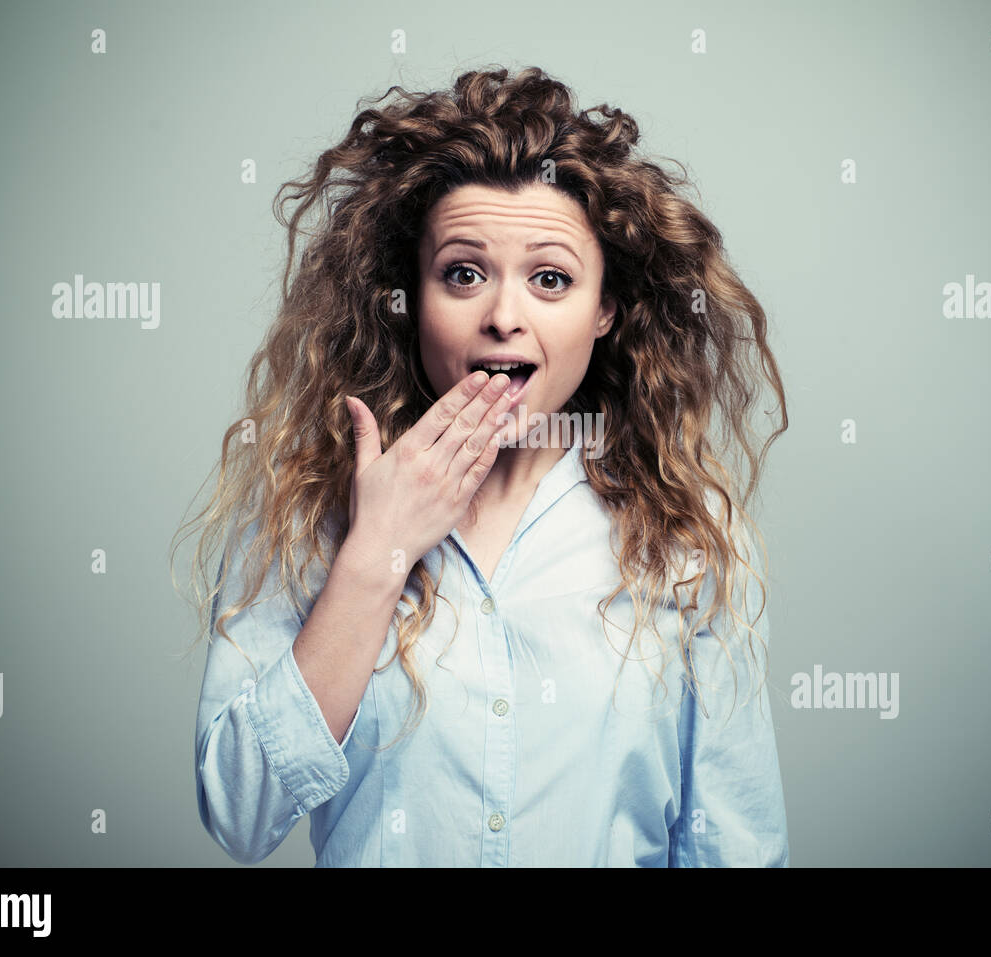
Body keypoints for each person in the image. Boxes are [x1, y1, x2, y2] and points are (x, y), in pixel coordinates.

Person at [172, 65, 790, 867]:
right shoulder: (307, 508)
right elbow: (239, 811)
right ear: (408, 296)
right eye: (463, 274)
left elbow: (733, 846)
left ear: (605, 309)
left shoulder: (690, 536)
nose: (503, 316)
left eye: (551, 279)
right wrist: (375, 553)